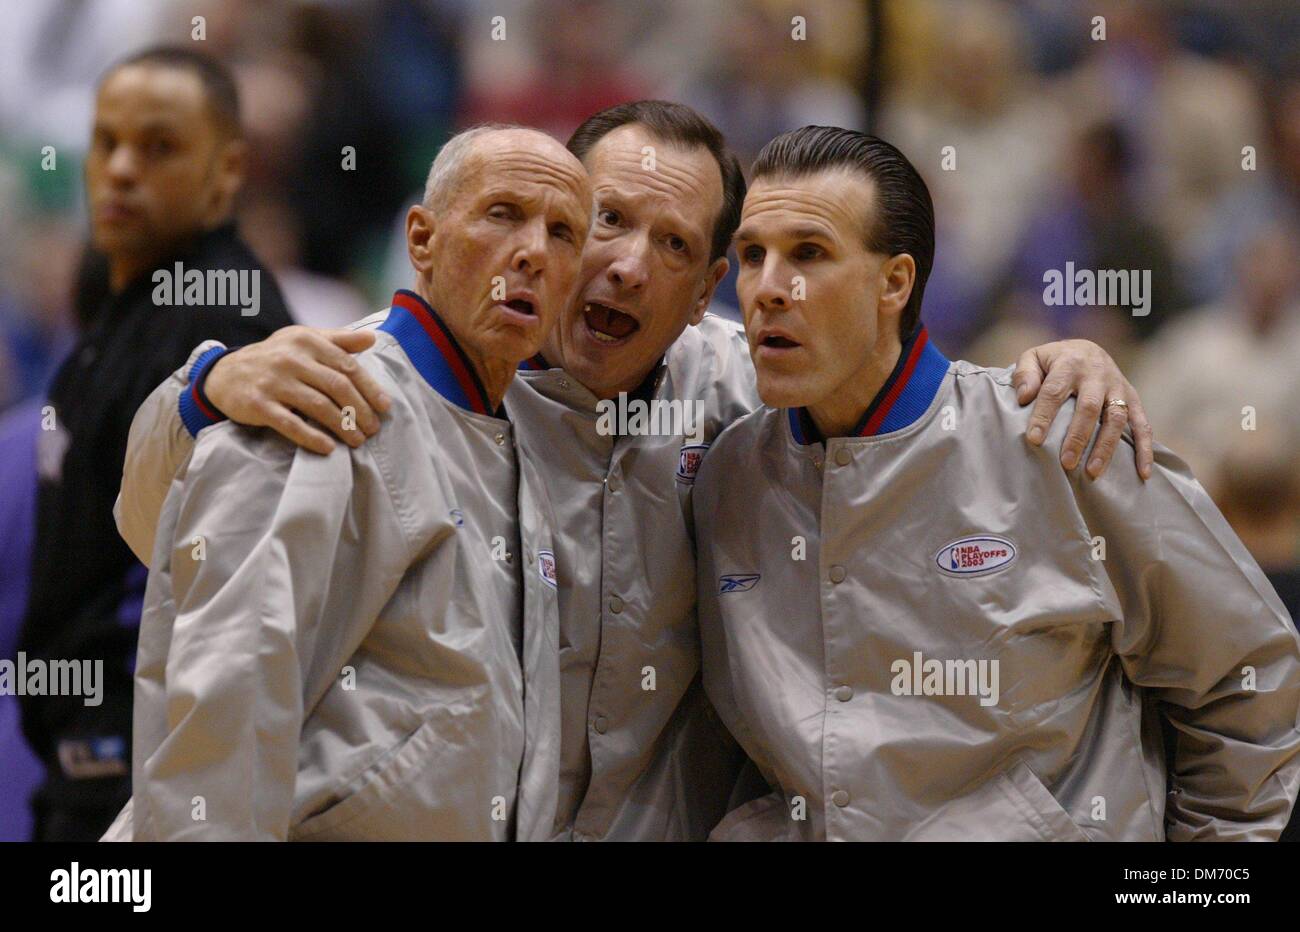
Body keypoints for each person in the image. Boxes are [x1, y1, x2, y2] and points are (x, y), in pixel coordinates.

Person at [113, 102, 1156, 841]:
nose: (618, 264)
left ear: (708, 282)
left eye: (668, 242)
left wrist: (1053, 369)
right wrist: (196, 396)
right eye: (599, 220)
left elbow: (902, 408)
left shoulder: (747, 394)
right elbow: (170, 536)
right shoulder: (408, 376)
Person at [692, 126, 1300, 841]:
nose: (766, 288)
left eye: (809, 254)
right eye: (751, 256)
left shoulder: (1062, 437)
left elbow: (1245, 675)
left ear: (896, 283)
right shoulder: (725, 474)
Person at [102, 124, 591, 841]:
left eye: (564, 234)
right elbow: (225, 704)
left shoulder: (521, 428)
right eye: (503, 214)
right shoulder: (326, 395)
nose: (533, 252)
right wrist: (200, 388)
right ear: (421, 240)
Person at [17, 46, 294, 842]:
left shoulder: (225, 330)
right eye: (107, 143)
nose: (123, 169)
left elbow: (222, 575)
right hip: (79, 768)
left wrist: (109, 739)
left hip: (142, 782)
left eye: (160, 146)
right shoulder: (122, 308)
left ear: (228, 169)